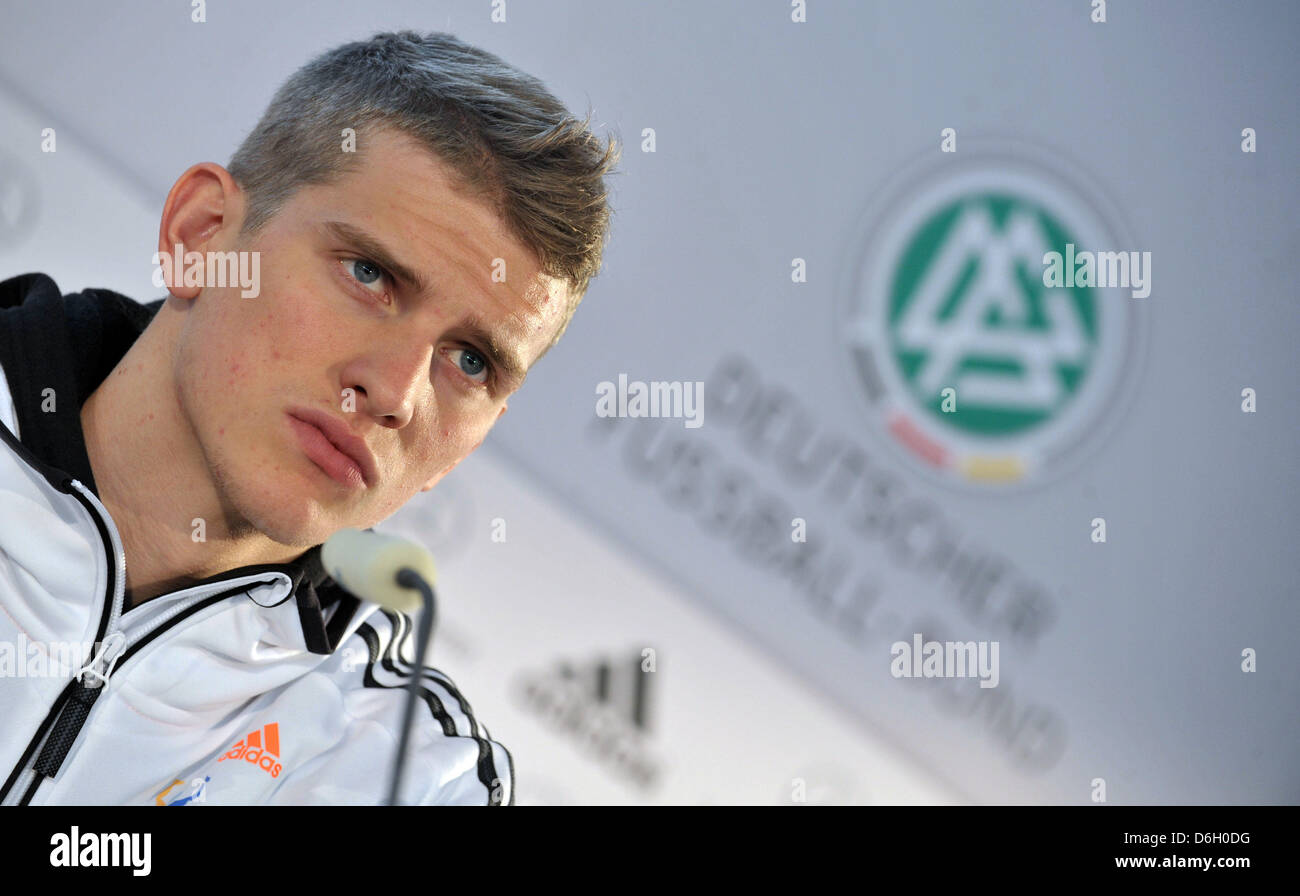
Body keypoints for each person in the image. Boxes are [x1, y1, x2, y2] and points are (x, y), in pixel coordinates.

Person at [0, 30, 620, 805]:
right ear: (200, 237)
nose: (397, 393)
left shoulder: (410, 776)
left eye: (470, 362)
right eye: (371, 276)